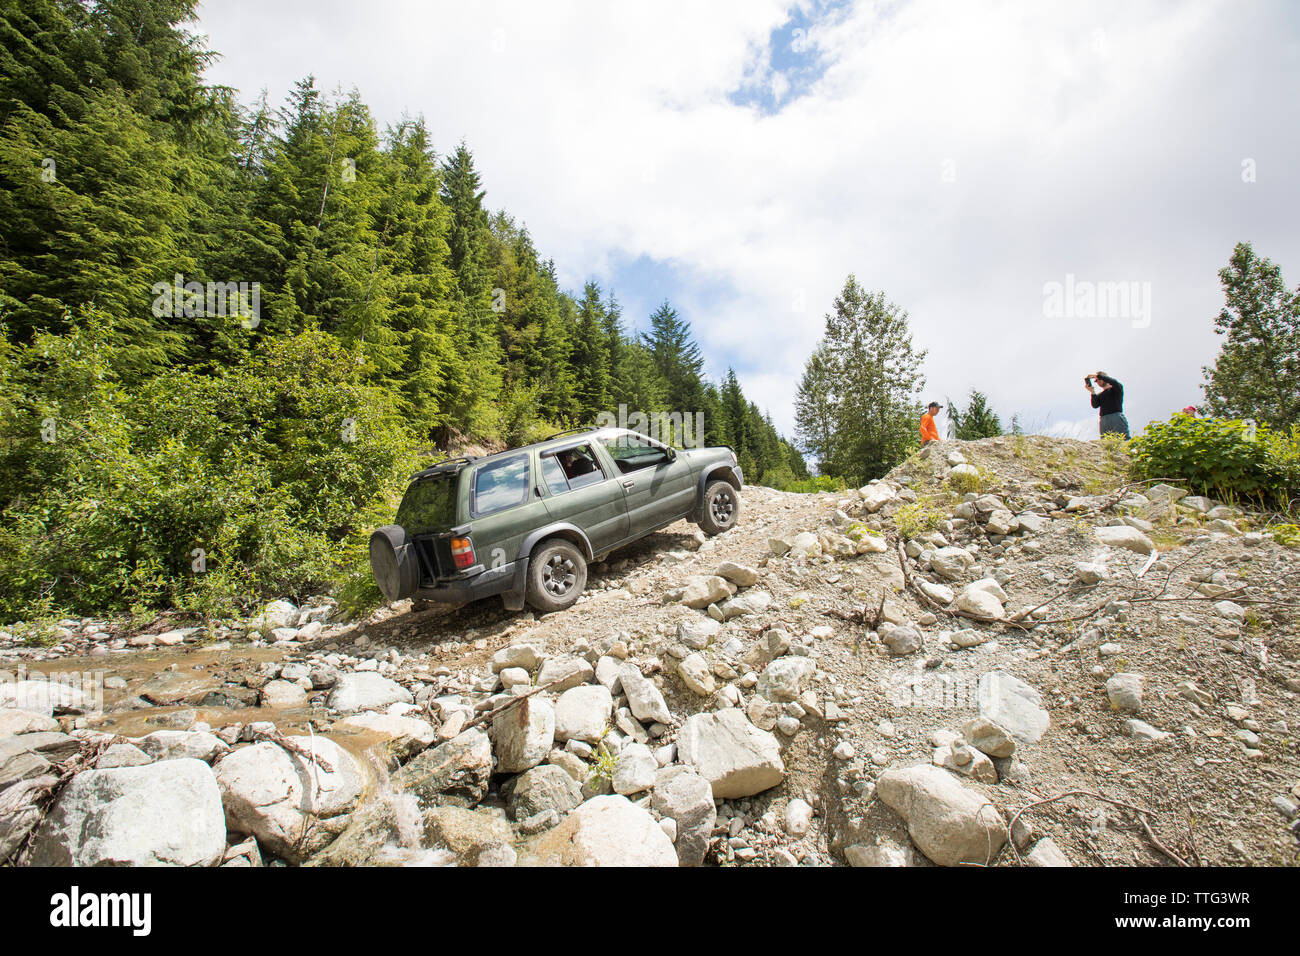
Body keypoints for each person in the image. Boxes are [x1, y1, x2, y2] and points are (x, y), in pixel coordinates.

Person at [1086, 371, 1130, 438]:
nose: (1098, 381)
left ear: (1105, 378)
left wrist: (1097, 376)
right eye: (1096, 381)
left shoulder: (1117, 388)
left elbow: (1114, 382)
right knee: (1106, 443)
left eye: (1099, 379)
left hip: (1116, 417)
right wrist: (1092, 392)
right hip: (1104, 420)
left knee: (1123, 440)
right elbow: (1095, 405)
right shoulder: (1100, 395)